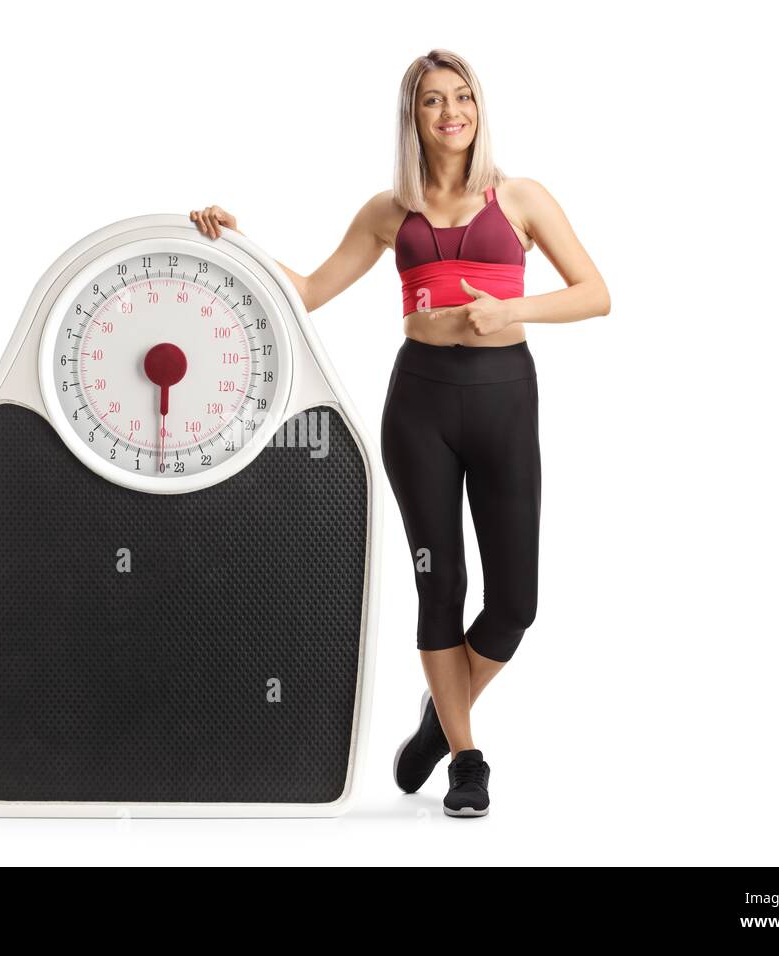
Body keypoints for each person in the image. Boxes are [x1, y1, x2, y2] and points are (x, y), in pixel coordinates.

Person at [190, 48, 610, 818]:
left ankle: (435, 721)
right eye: (432, 102)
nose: (451, 112)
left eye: (463, 99)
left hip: (504, 398)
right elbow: (310, 291)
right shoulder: (390, 212)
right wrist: (235, 242)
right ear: (412, 117)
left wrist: (510, 311)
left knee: (515, 602)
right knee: (439, 586)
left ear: (478, 111)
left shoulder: (520, 197)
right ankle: (467, 756)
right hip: (419, 406)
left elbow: (596, 294)